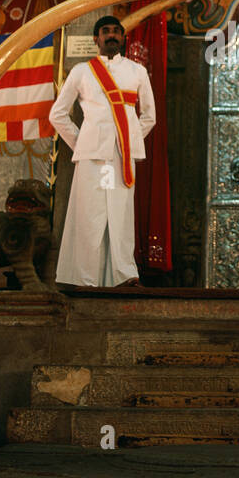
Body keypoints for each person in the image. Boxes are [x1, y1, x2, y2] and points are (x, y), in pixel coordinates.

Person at [48, 16, 155, 287]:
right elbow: (57, 115)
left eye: (116, 32)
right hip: (92, 157)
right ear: (96, 38)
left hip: (120, 158)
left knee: (120, 215)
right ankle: (85, 280)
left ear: (123, 38)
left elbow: (149, 117)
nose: (111, 36)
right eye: (105, 31)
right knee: (89, 214)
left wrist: (128, 142)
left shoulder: (137, 71)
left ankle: (124, 275)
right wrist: (81, 142)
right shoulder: (81, 71)